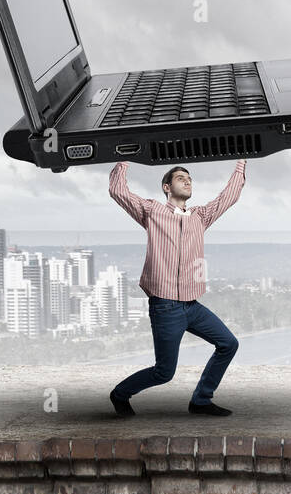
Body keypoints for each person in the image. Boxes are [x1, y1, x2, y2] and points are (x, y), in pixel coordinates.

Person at [105, 158, 246, 416]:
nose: (187, 180)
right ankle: (120, 394)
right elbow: (118, 191)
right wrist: (123, 158)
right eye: (181, 177)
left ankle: (201, 401)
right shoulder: (151, 211)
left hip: (192, 306)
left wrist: (241, 162)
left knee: (228, 343)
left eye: (189, 178)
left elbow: (230, 195)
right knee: (164, 372)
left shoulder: (200, 217)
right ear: (166, 187)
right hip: (165, 307)